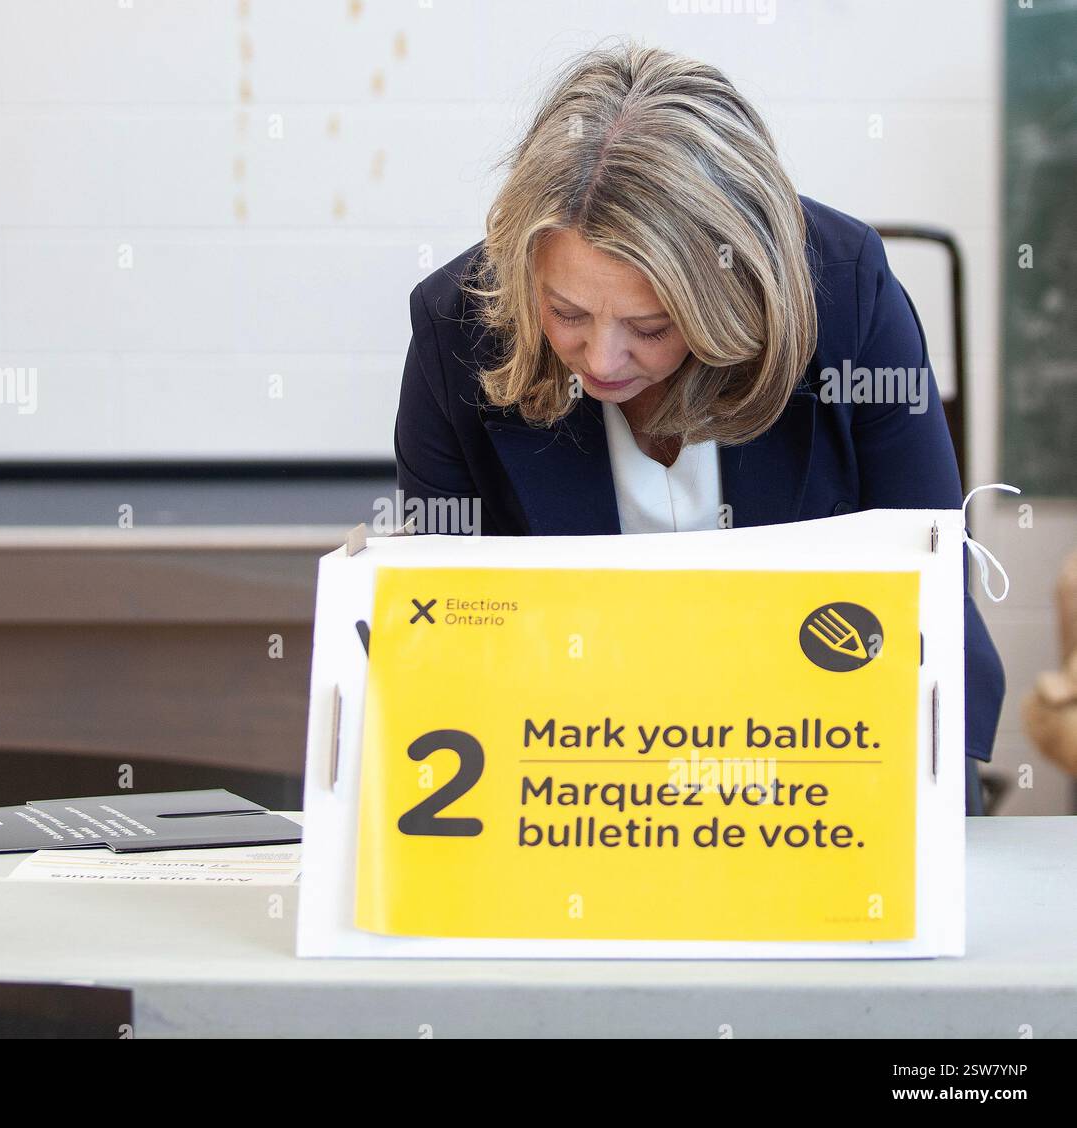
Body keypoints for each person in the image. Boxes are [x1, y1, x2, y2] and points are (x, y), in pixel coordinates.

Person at [392, 41, 1004, 812]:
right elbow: (441, 626)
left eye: (650, 325)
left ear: (731, 293)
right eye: (567, 313)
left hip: (837, 756)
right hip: (569, 778)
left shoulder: (846, 293)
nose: (601, 360)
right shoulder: (458, 325)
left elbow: (930, 579)